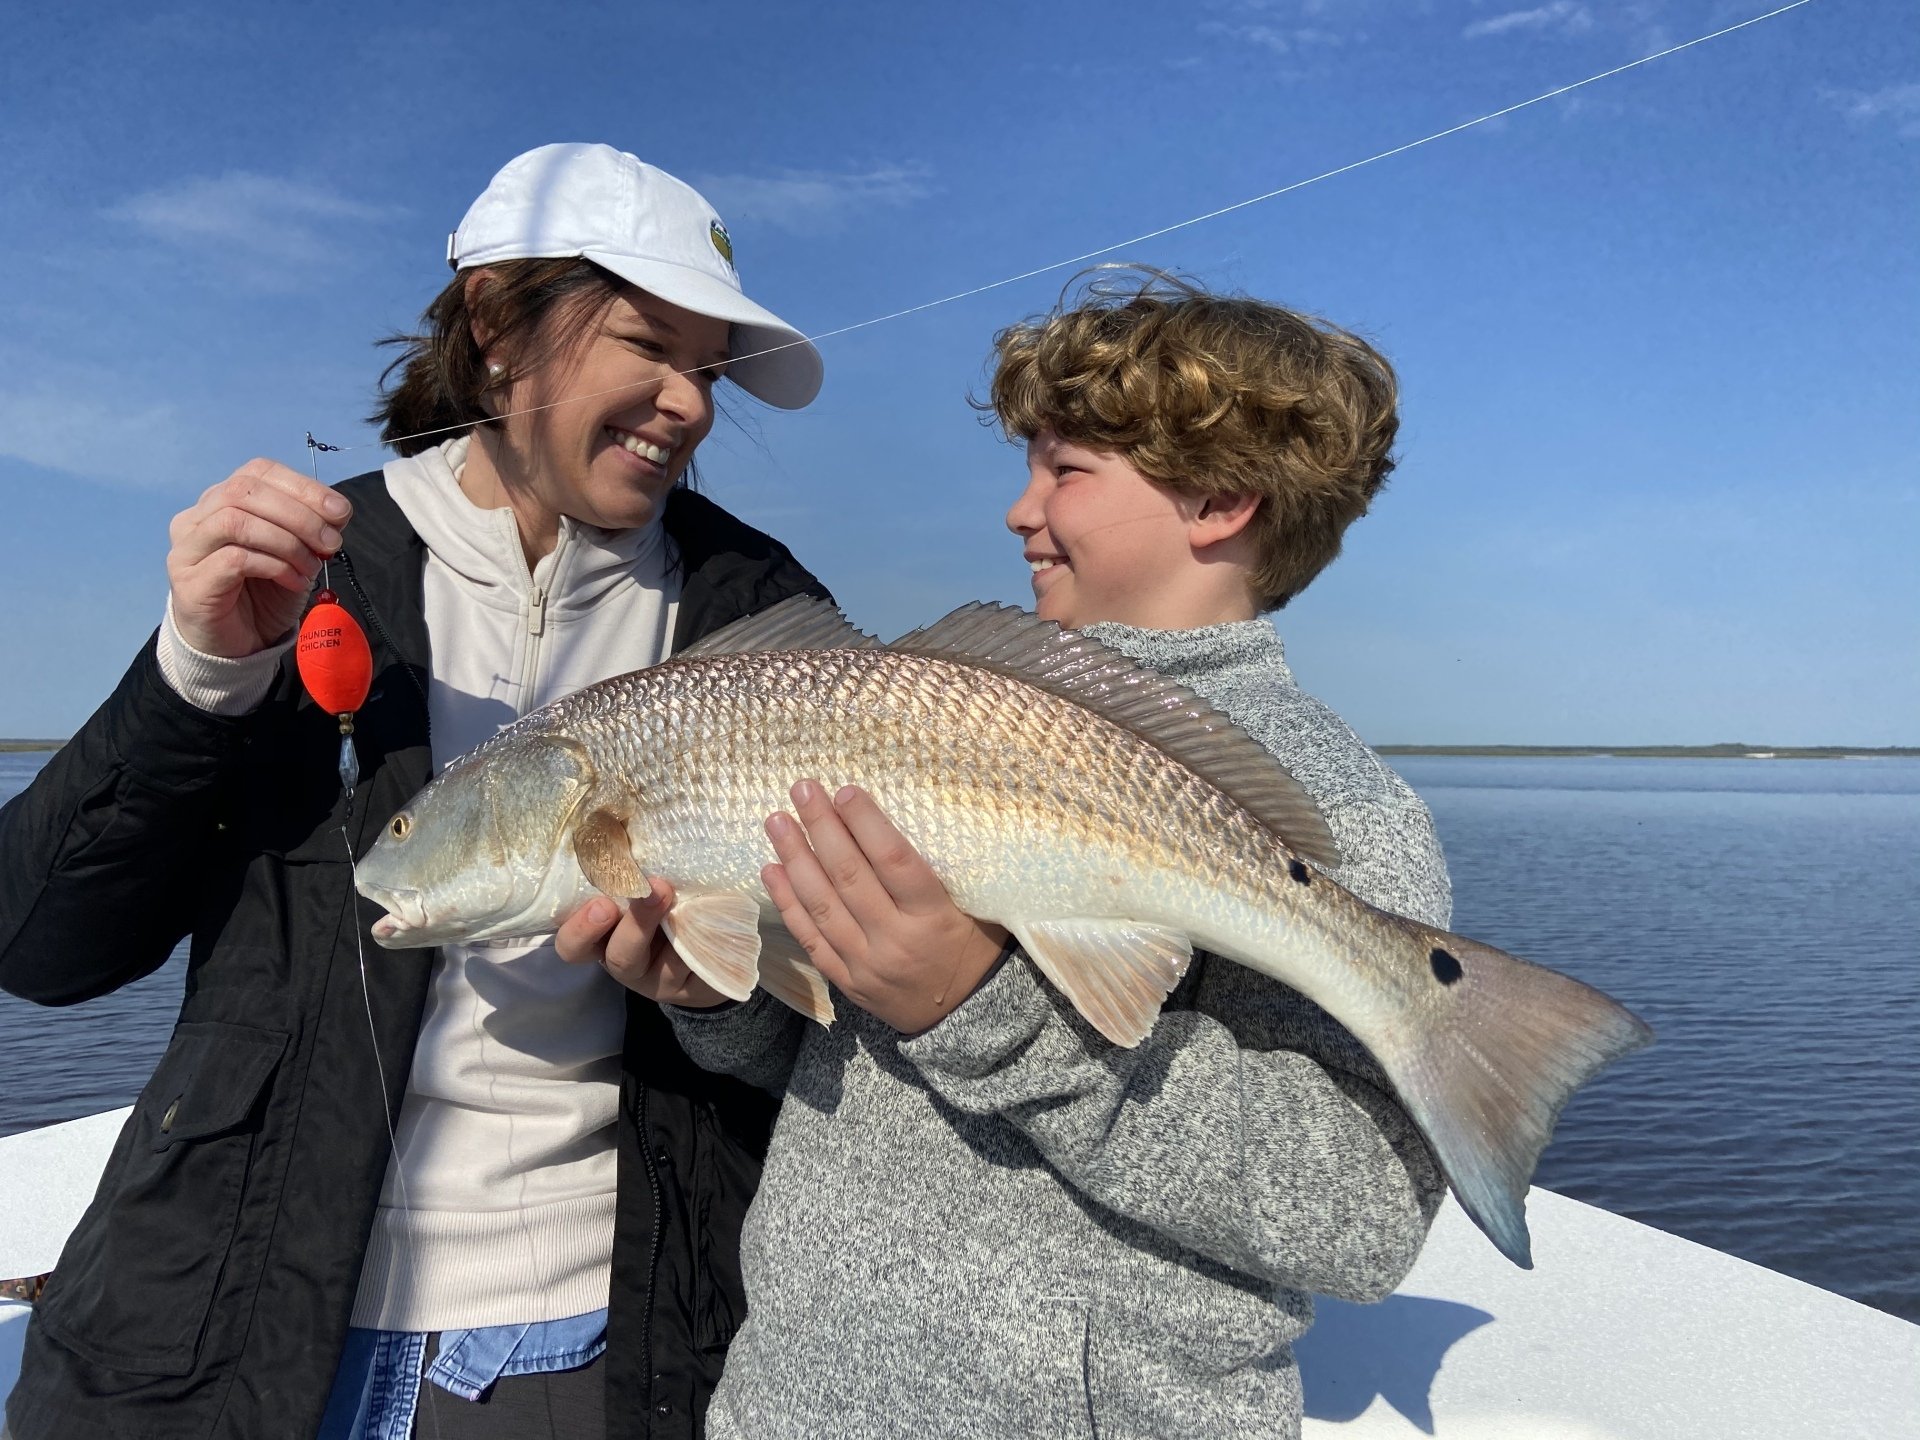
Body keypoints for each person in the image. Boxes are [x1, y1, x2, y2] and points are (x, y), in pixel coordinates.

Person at [0, 142, 826, 1440]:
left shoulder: (764, 614)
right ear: (494, 325)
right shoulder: (304, 571)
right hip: (221, 1324)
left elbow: (820, 1018)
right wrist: (196, 675)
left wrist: (719, 1001)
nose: (690, 405)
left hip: (600, 1333)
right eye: (647, 345)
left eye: (710, 368)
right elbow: (42, 946)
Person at [593, 269, 1456, 1437]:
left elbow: (1361, 1212)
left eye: (1067, 471)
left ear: (1219, 502)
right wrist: (713, 997)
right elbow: (828, 1064)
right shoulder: (912, 714)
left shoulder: (1341, 809)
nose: (1017, 510)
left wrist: (980, 1004)